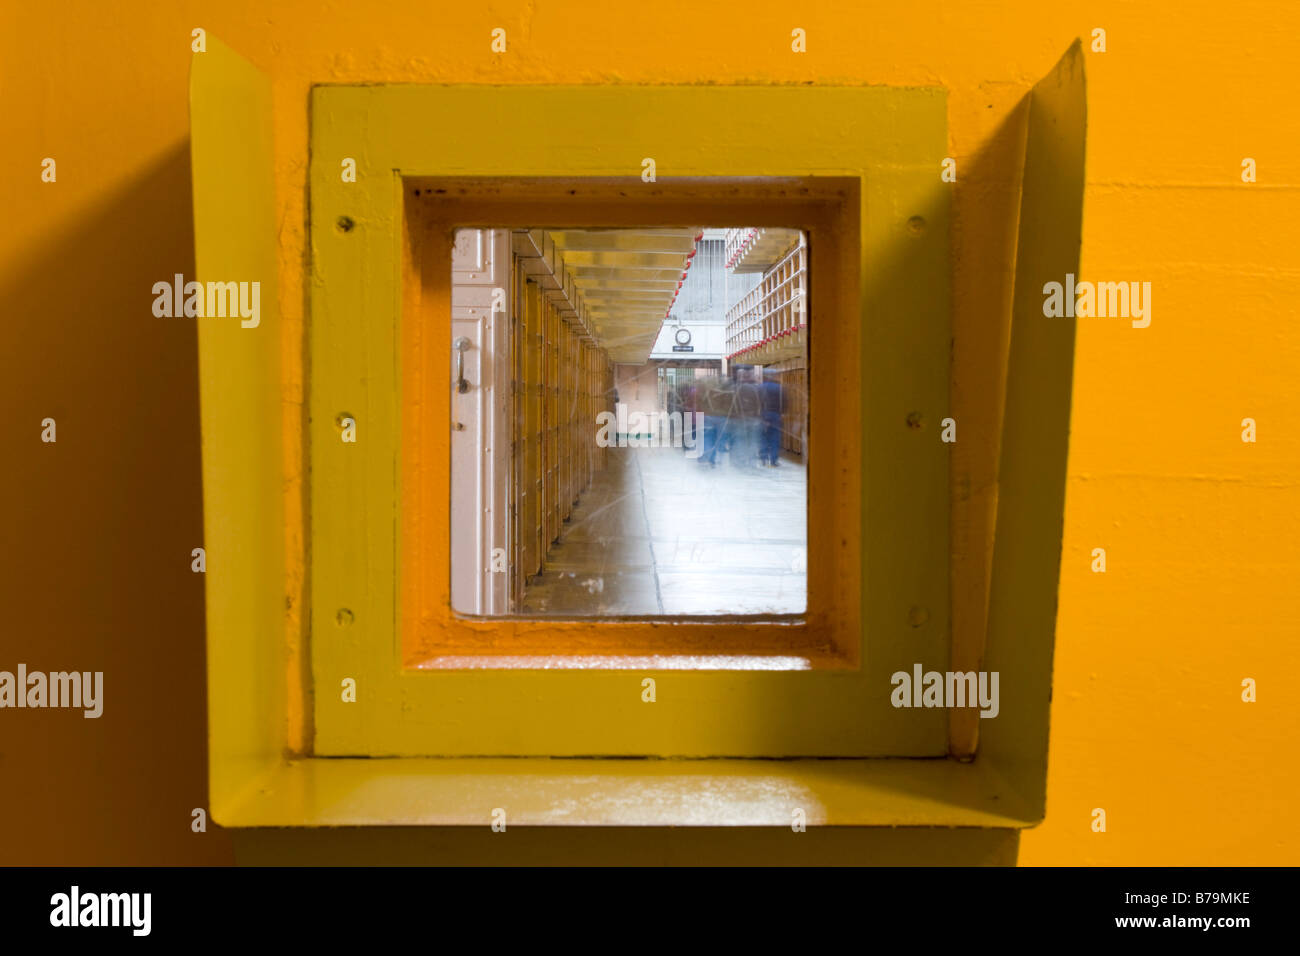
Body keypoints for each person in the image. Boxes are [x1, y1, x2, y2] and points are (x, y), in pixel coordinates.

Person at [759, 372, 784, 466]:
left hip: (763, 414)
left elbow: (758, 401)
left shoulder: (761, 387)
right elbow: (784, 401)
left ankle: (763, 458)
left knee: (763, 437)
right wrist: (782, 413)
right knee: (775, 437)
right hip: (776, 415)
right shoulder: (779, 388)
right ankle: (773, 460)